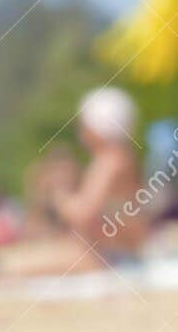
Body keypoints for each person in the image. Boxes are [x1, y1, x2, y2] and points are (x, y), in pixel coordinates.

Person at [15, 88, 148, 274]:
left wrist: (57, 190)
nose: (81, 131)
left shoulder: (109, 161)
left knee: (19, 267)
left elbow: (82, 214)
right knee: (26, 261)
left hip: (111, 257)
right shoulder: (121, 157)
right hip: (116, 254)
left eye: (84, 125)